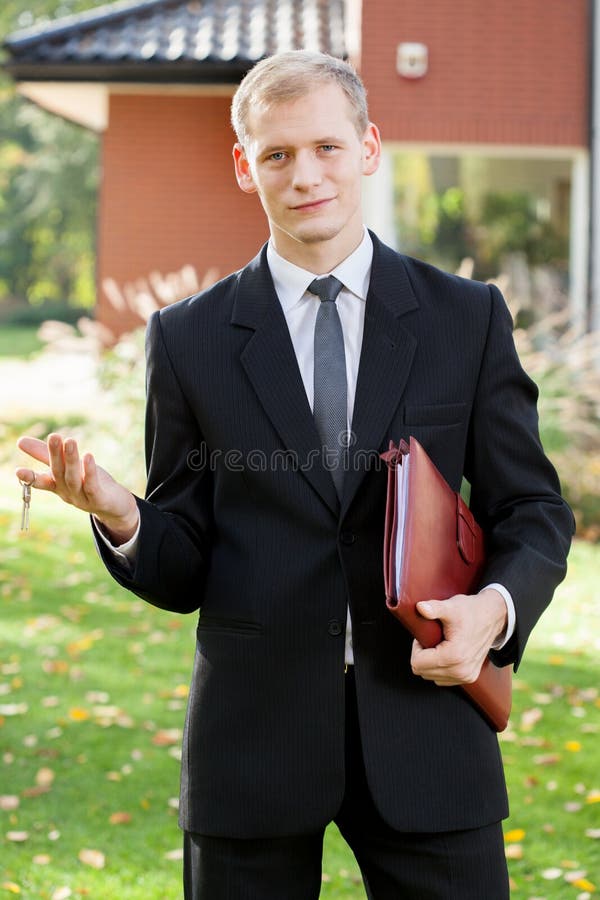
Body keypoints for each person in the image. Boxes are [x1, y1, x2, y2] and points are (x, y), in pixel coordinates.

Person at [17, 50, 574, 899]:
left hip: (430, 729)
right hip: (252, 740)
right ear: (245, 166)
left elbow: (533, 509)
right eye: (277, 154)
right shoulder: (189, 339)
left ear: (369, 149)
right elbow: (186, 563)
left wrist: (491, 614)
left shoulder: (467, 319)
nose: (304, 174)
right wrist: (123, 513)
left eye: (325, 148)